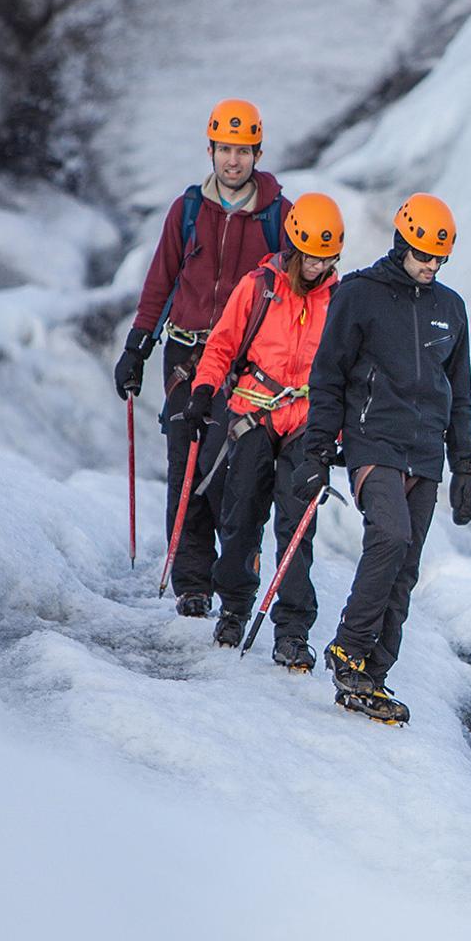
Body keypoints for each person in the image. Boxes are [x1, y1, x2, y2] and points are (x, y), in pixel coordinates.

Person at [295, 193, 471, 723]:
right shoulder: (360, 295)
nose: (430, 267)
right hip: (373, 441)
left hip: (426, 455)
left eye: (438, 260)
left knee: (406, 568)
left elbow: (460, 394)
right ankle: (348, 646)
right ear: (401, 243)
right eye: (422, 255)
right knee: (390, 537)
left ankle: (371, 675)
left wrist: (466, 467)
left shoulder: (451, 309)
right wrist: (316, 450)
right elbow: (328, 375)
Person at [113, 99, 288, 616]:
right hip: (185, 353)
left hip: (243, 362)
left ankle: (229, 574)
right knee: (183, 462)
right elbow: (160, 281)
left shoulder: (280, 217)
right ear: (210, 150)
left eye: (243, 151)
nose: (233, 161)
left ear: (257, 152)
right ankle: (193, 582)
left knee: (229, 468)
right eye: (225, 150)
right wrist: (137, 347)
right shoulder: (186, 211)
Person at [174, 193, 345, 670]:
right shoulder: (259, 287)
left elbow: (352, 372)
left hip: (308, 423)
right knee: (241, 514)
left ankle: (292, 630)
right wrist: (204, 392)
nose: (317, 266)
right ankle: (233, 606)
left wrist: (343, 433)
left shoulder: (339, 300)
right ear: (293, 246)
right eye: (311, 255)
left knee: (297, 526)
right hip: (252, 412)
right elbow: (223, 344)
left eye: (327, 258)